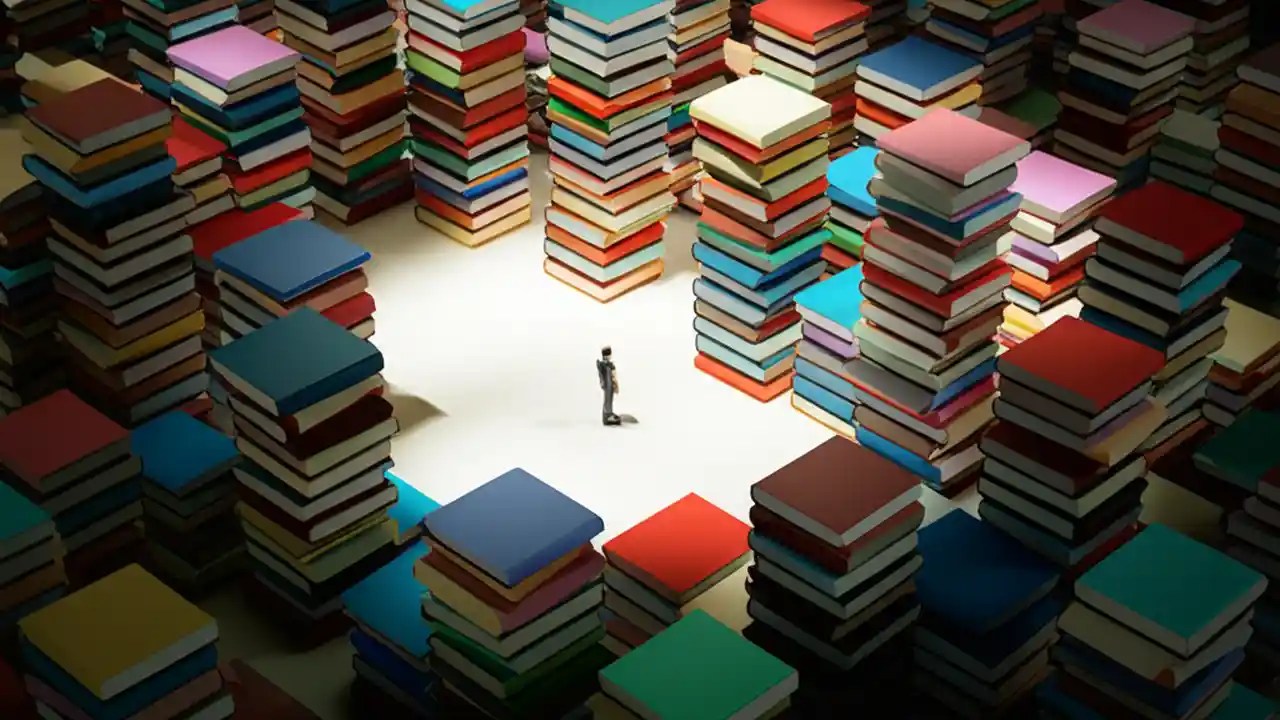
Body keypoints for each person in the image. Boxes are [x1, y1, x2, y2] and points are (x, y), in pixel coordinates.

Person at [597, 347, 621, 426]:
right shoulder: (603, 365)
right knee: (607, 398)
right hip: (607, 384)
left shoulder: (607, 364)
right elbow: (602, 375)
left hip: (609, 384)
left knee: (610, 398)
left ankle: (609, 413)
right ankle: (607, 415)